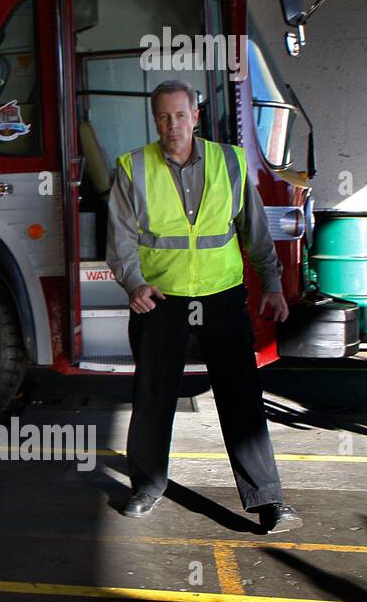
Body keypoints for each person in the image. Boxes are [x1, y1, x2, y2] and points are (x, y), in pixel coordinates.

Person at [106, 79, 303, 534]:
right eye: (162, 117)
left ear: (196, 116)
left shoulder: (230, 162)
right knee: (153, 397)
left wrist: (272, 284)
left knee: (241, 398)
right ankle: (147, 487)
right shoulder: (133, 167)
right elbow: (120, 239)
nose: (171, 125)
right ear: (153, 121)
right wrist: (133, 283)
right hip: (161, 301)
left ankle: (268, 500)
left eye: (179, 115)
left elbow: (253, 231)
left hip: (221, 298)